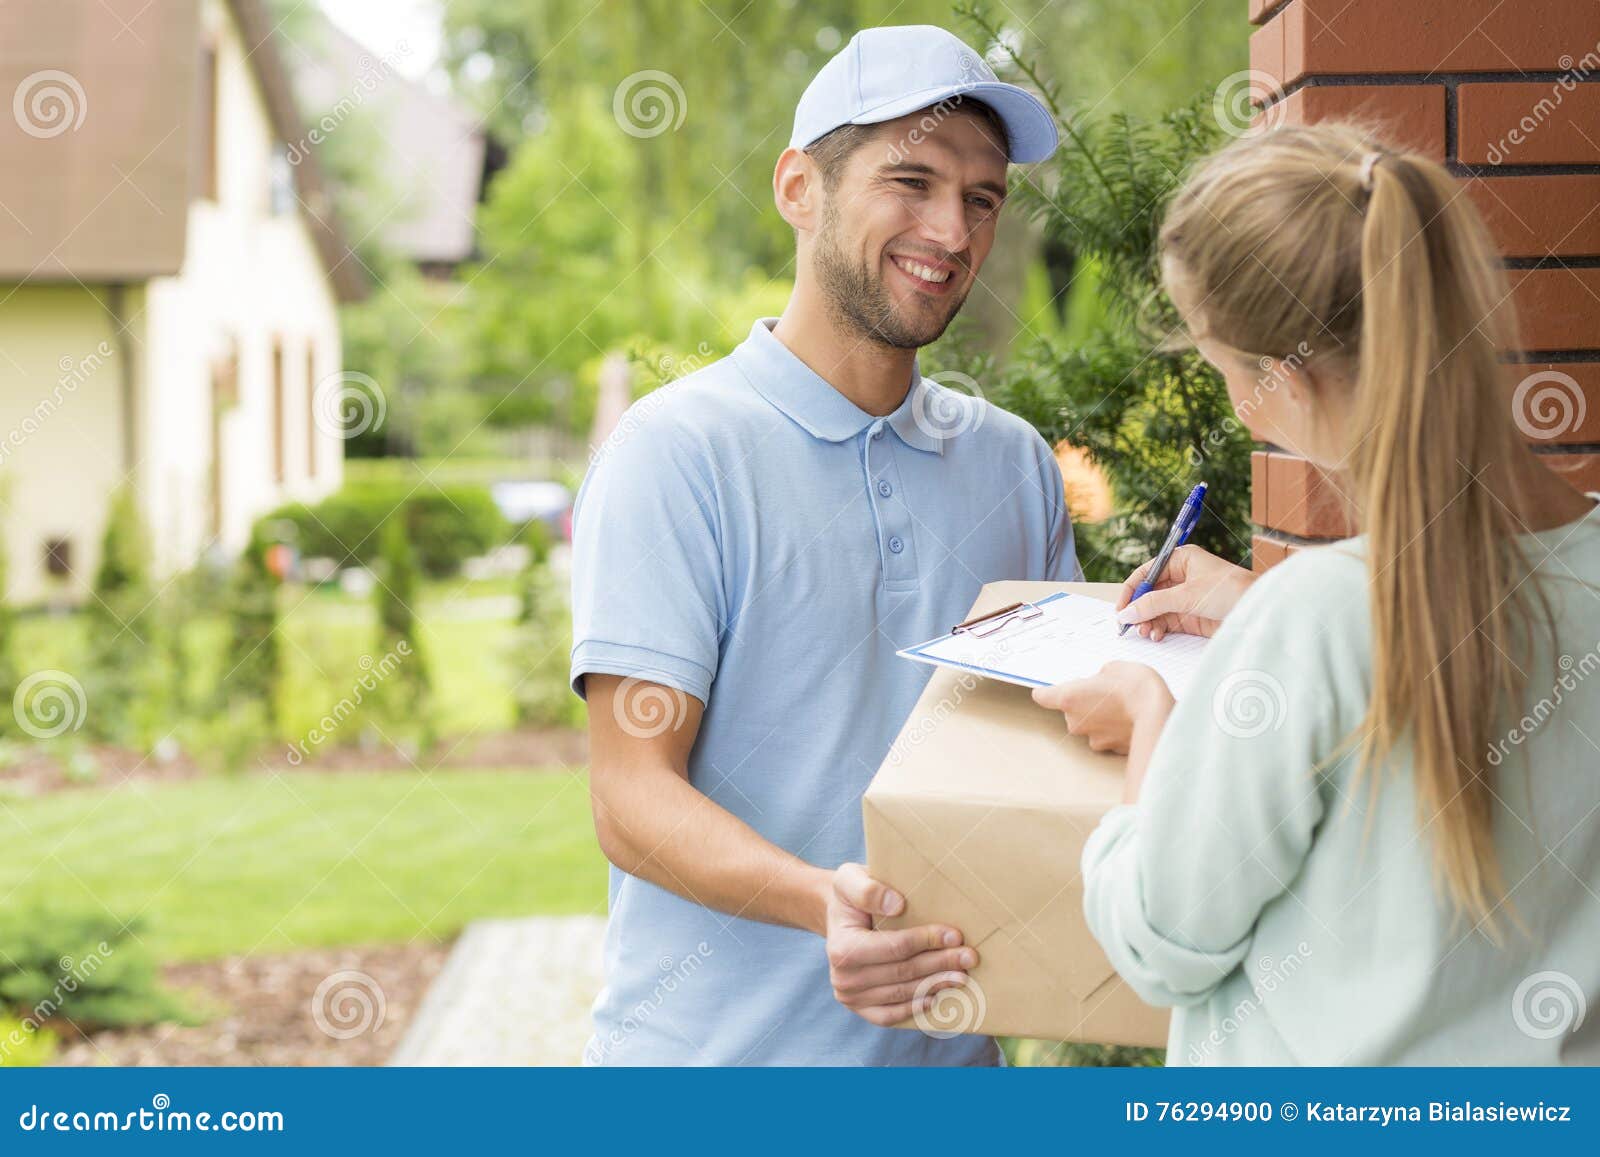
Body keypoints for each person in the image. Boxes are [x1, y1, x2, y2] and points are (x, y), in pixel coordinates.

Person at [1034, 123, 1600, 1065]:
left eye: (1222, 372)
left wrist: (1152, 723)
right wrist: (1263, 605)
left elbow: (1161, 940)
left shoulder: (1316, 623)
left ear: (1285, 385)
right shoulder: (1333, 614)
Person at [571, 25, 1078, 1065]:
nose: (952, 228)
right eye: (911, 180)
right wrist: (820, 901)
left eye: (982, 197)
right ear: (798, 186)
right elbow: (629, 795)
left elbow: (1062, 742)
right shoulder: (678, 452)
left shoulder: (1012, 464)